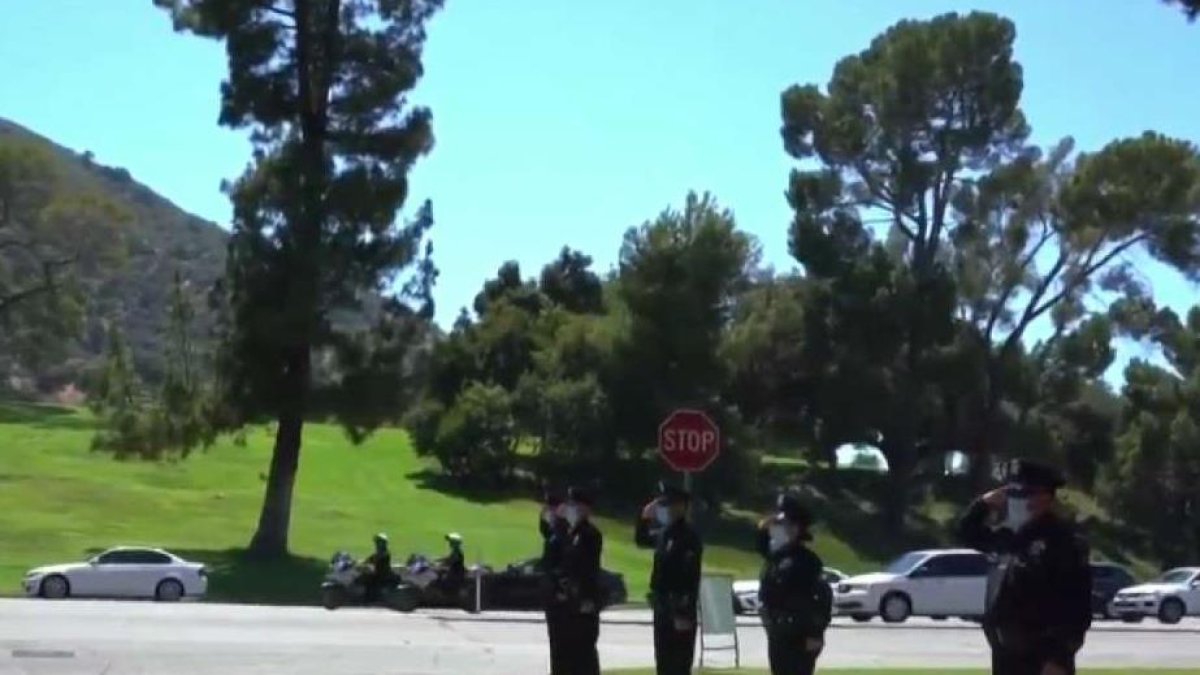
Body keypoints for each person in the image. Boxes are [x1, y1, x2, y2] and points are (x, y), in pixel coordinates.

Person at [956, 458, 1092, 675]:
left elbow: (1077, 607)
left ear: (1045, 497)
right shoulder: (1010, 536)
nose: (1016, 501)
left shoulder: (1062, 541)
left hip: (1042, 660)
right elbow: (966, 533)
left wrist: (1058, 657)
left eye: (1024, 494)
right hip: (1006, 657)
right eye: (1012, 494)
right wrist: (983, 505)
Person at [756, 491, 831, 675]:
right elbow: (762, 546)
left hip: (799, 634)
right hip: (778, 631)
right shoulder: (778, 556)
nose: (777, 528)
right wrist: (764, 528)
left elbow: (821, 598)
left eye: (783, 524)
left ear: (796, 528)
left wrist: (815, 633)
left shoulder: (807, 561)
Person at [635, 481, 703, 675]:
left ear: (681, 507)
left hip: (678, 607)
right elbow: (642, 539)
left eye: (669, 505)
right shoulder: (665, 534)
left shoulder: (689, 537)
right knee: (663, 662)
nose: (665, 510)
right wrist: (644, 518)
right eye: (663, 505)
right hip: (662, 606)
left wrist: (683, 612)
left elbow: (689, 576)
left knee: (678, 664)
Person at [560, 485, 604, 675]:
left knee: (584, 653)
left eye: (575, 505)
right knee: (570, 653)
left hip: (585, 600)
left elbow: (587, 569)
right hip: (571, 601)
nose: (571, 508)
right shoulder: (571, 533)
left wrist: (586, 598)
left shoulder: (590, 534)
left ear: (585, 508)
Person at [539, 489, 570, 675]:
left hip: (559, 592)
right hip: (551, 590)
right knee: (555, 641)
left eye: (551, 508)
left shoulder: (563, 531)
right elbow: (544, 529)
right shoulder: (554, 530)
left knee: (562, 641)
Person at [362, 532, 393, 603]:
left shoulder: (384, 553)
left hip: (383, 575)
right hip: (379, 573)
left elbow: (373, 559)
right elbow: (370, 558)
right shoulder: (380, 552)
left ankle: (369, 599)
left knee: (367, 580)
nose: (376, 544)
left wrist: (365, 562)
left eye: (378, 542)